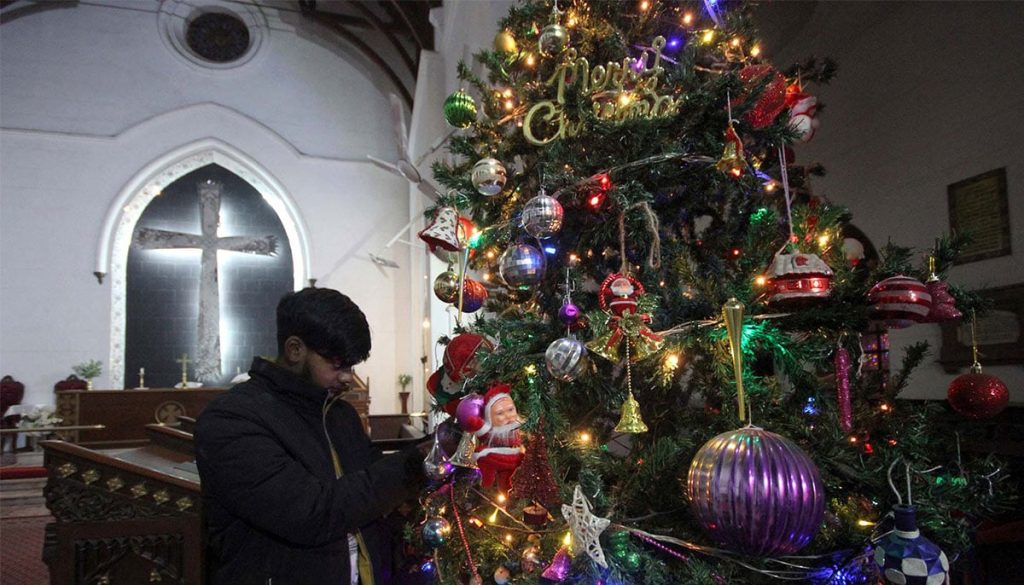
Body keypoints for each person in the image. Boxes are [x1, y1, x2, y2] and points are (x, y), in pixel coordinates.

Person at [196, 287, 430, 585]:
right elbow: (311, 514)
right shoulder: (231, 419)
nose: (347, 377)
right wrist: (416, 463)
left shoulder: (339, 414)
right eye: (338, 364)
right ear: (295, 349)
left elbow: (372, 485)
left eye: (351, 365)